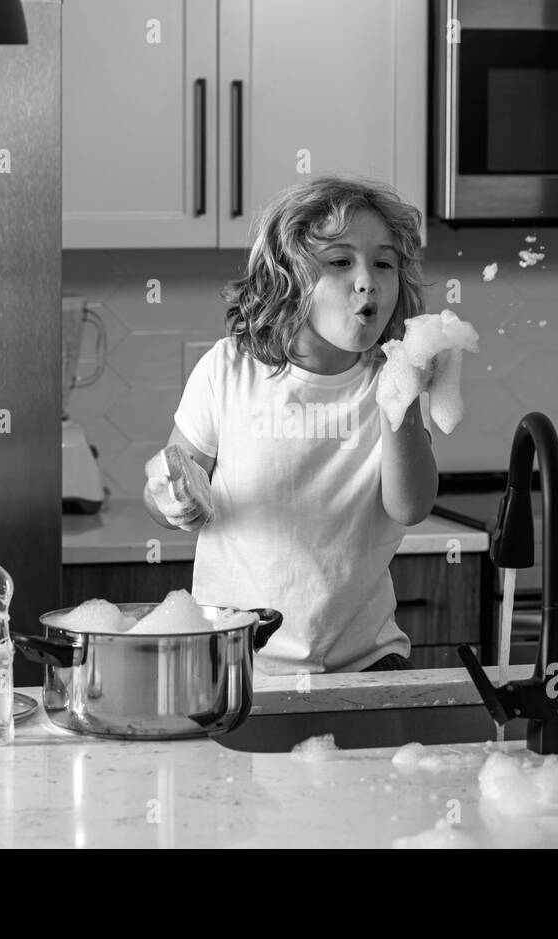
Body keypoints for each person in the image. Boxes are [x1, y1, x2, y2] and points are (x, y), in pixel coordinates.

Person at [143, 175, 439, 674]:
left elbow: (409, 507)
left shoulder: (393, 380)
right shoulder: (229, 369)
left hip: (366, 660)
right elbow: (166, 484)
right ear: (289, 278)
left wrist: (403, 394)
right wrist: (174, 499)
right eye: (340, 262)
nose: (367, 278)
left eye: (383, 263)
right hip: (235, 661)